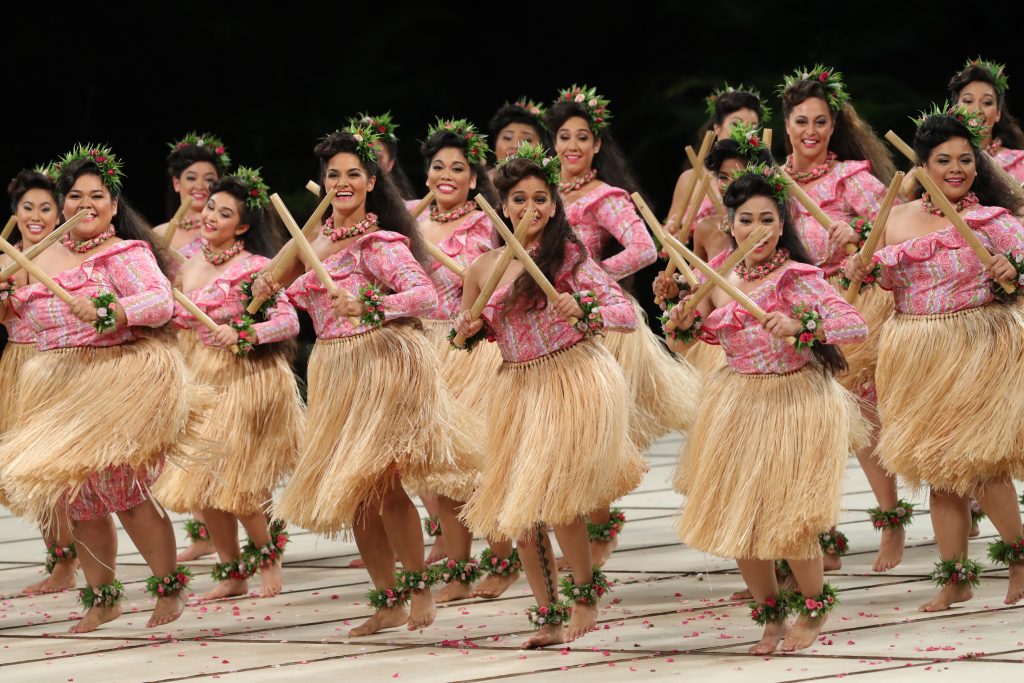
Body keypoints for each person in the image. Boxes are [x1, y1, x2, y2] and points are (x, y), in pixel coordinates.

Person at [256, 126, 473, 636]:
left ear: (373, 181)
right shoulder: (312, 244)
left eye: (354, 173)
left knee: (385, 484)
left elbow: (426, 298)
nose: (343, 182)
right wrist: (271, 288)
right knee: (356, 493)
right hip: (333, 368)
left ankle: (418, 585)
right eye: (334, 175)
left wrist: (371, 303)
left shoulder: (382, 243)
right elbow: (282, 299)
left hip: (380, 364)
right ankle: (387, 600)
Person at [0, 144, 208, 632]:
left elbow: (158, 302)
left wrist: (109, 311)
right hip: (58, 383)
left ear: (114, 206)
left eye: (97, 196)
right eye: (75, 196)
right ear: (63, 203)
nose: (85, 204)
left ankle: (167, 587)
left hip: (116, 377)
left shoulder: (125, 252)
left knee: (125, 491)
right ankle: (103, 598)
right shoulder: (39, 257)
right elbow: (19, 317)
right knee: (76, 498)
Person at [670, 166, 868, 654]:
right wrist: (680, 322)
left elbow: (853, 324)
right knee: (740, 517)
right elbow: (688, 337)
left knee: (790, 516)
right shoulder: (715, 274)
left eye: (767, 219)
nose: (756, 230)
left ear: (782, 225)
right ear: (730, 224)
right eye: (745, 220)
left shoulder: (798, 276)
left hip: (792, 400)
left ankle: (812, 608)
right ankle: (770, 615)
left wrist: (803, 322)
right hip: (735, 399)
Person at [455, 146, 645, 648]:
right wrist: (467, 328)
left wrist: (581, 307)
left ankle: (584, 593)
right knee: (521, 510)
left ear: (555, 206)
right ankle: (548, 612)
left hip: (570, 381)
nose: (531, 208)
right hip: (516, 388)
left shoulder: (569, 257)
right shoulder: (484, 268)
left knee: (559, 502)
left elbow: (622, 314)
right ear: (504, 206)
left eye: (542, 198)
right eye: (520, 199)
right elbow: (466, 335)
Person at [844, 106, 1024, 612]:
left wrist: (1010, 269)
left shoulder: (992, 220)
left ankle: (1019, 559)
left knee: (981, 466)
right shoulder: (894, 219)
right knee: (940, 471)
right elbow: (871, 282)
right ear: (922, 165)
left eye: (966, 160)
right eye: (944, 160)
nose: (957, 169)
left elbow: (1023, 273)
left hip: (973, 349)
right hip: (913, 354)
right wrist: (862, 267)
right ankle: (955, 578)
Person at [548, 84, 698, 566]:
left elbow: (643, 248)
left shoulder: (603, 197)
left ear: (597, 145)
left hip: (598, 322)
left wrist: (592, 276)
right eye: (564, 136)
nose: (572, 145)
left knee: (594, 431)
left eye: (582, 137)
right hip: (547, 324)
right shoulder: (540, 191)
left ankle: (599, 522)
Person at [155, 168, 304, 600]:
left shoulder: (257, 268)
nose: (210, 216)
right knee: (203, 483)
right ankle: (231, 570)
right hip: (199, 375)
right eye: (210, 208)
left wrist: (244, 332)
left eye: (224, 213)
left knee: (238, 483)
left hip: (245, 378)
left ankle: (268, 558)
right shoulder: (184, 265)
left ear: (242, 226)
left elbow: (287, 321)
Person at [780, 64, 903, 572]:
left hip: (845, 300)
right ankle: (819, 536)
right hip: (789, 309)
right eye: (802, 121)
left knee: (864, 419)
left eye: (821, 122)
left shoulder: (849, 175)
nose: (811, 131)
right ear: (785, 124)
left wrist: (853, 232)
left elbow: (889, 227)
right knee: (809, 427)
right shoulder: (773, 183)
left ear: (835, 126)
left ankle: (891, 523)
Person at [0, 168, 79, 594]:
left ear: (59, 212)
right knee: (31, 472)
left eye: (46, 207)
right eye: (27, 207)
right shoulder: (4, 259)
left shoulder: (69, 256)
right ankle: (60, 559)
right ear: (15, 212)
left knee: (61, 470)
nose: (36, 215)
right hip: (17, 368)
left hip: (59, 365)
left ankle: (76, 560)